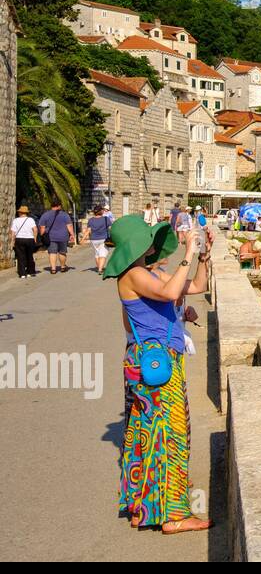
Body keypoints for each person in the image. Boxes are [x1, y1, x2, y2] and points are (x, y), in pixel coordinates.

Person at [105, 214, 211, 534]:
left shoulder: (143, 274)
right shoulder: (134, 274)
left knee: (146, 435)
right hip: (157, 364)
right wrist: (188, 255)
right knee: (171, 434)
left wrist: (203, 258)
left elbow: (195, 286)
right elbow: (168, 295)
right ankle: (175, 515)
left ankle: (143, 506)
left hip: (151, 361)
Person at [37, 201, 75, 274]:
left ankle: (53, 269)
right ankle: (63, 267)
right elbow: (69, 225)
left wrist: (42, 235)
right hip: (63, 236)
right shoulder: (65, 215)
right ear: (59, 206)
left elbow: (42, 227)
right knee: (62, 252)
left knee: (52, 252)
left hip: (51, 237)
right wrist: (72, 235)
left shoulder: (45, 215)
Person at [82, 205, 115, 274]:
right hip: (103, 239)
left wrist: (83, 239)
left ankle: (99, 268)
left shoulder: (91, 220)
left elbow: (88, 230)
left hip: (93, 240)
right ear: (101, 211)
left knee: (97, 254)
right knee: (103, 254)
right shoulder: (106, 219)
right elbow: (111, 229)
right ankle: (100, 269)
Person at [10, 205, 38, 278]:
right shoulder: (31, 220)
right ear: (26, 213)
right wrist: (35, 238)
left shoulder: (15, 220)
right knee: (29, 255)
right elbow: (35, 230)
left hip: (19, 239)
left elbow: (13, 232)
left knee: (20, 256)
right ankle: (30, 272)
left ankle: (22, 273)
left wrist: (12, 241)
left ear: (20, 213)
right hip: (29, 239)